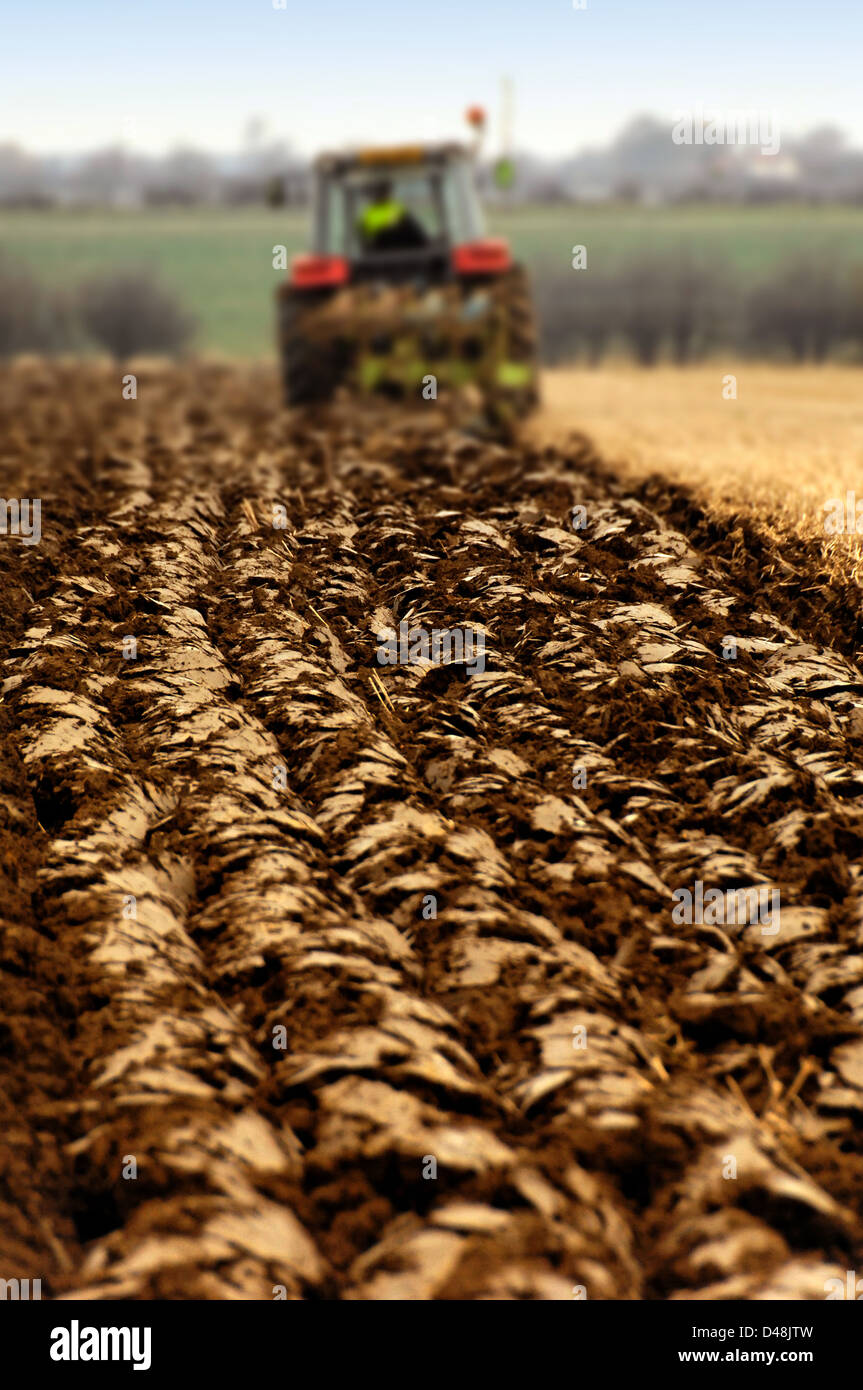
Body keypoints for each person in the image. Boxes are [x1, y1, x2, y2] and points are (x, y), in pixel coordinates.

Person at [358, 179, 429, 251]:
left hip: (385, 252)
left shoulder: (366, 215)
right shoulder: (398, 209)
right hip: (392, 250)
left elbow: (364, 242)